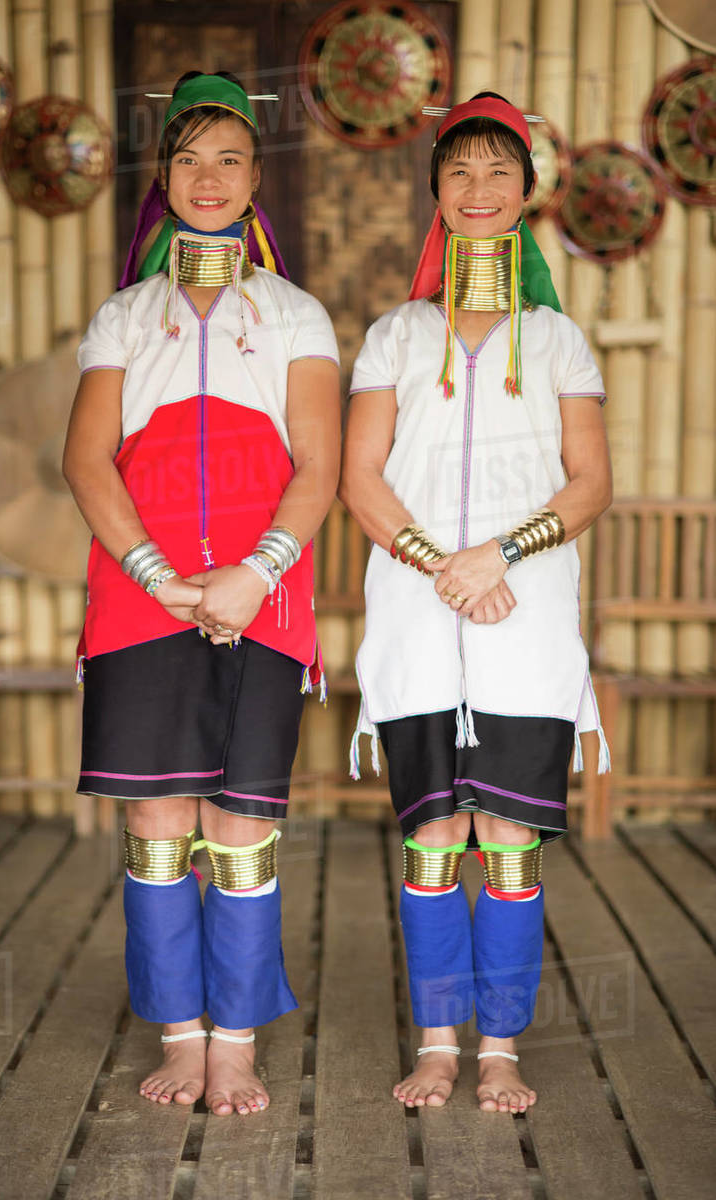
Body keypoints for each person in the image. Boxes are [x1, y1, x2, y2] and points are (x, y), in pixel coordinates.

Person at [63, 71, 340, 1116]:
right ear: (165, 178)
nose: (209, 177)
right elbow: (89, 462)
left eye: (229, 157)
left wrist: (252, 572)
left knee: (242, 822)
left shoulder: (296, 315)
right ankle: (181, 1032)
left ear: (257, 178)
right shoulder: (126, 316)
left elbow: (318, 463)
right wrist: (158, 576)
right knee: (157, 822)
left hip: (261, 596)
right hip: (141, 598)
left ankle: (236, 1039)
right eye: (189, 159)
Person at [340, 92, 612, 1114]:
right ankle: (439, 1043)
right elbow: (361, 477)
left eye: (500, 171)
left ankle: (500, 1046)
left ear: (527, 193)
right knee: (429, 837)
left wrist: (495, 554)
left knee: (507, 838)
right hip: (416, 619)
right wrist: (437, 563)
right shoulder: (394, 337)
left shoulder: (558, 341)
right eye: (460, 173)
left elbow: (590, 484)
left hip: (526, 618)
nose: (480, 189)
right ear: (437, 196)